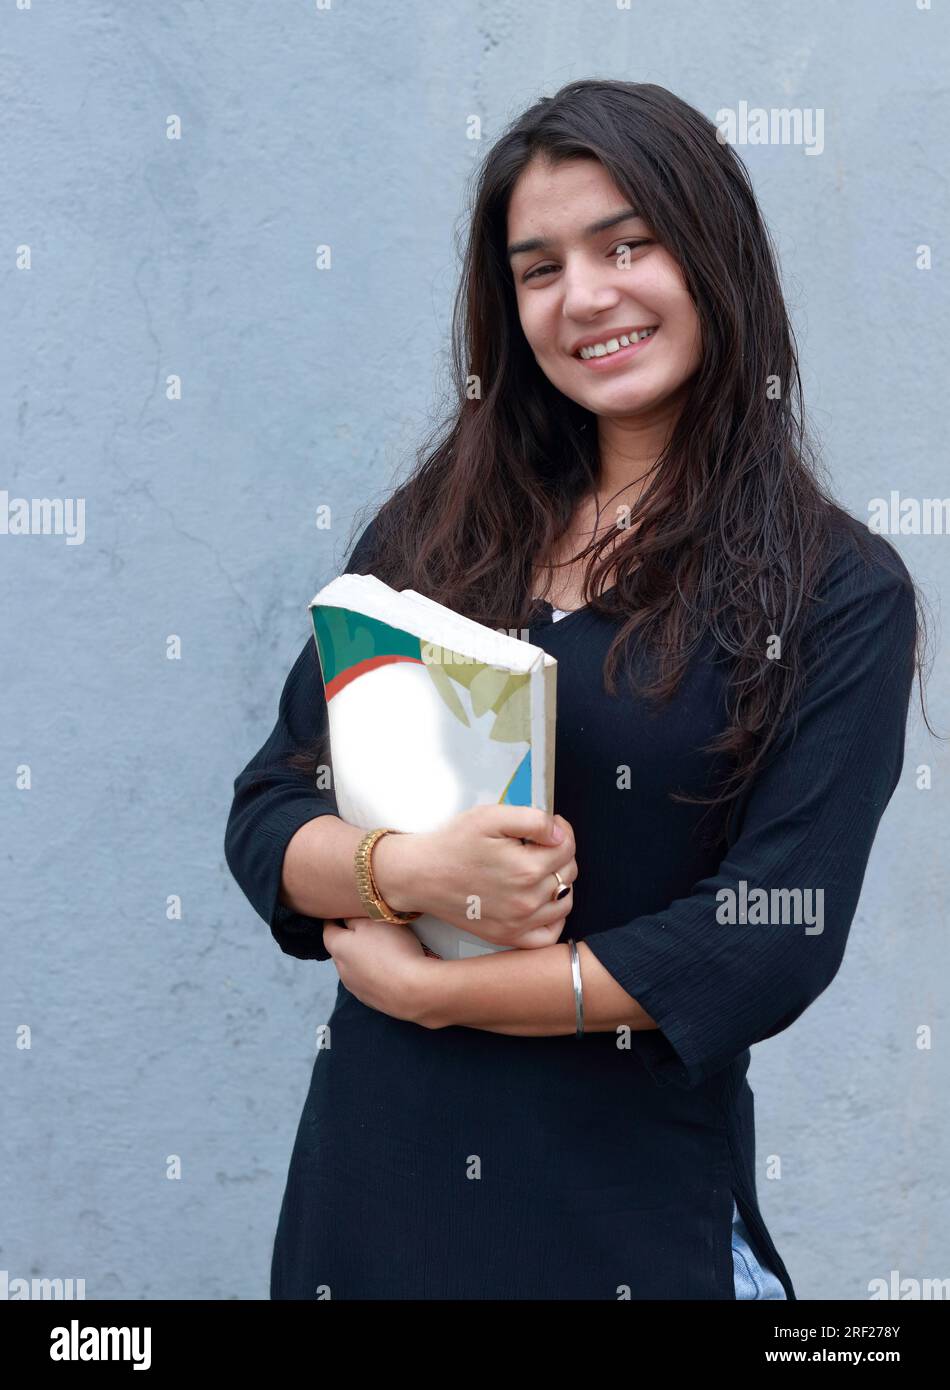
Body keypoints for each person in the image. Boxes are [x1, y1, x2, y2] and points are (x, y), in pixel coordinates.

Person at [224, 80, 930, 1300]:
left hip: (620, 1223)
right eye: (536, 267)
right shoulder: (437, 533)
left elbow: (761, 942)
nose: (585, 296)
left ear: (709, 252)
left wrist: (441, 991)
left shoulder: (833, 590)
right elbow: (271, 811)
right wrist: (410, 872)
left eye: (625, 244)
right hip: (370, 1204)